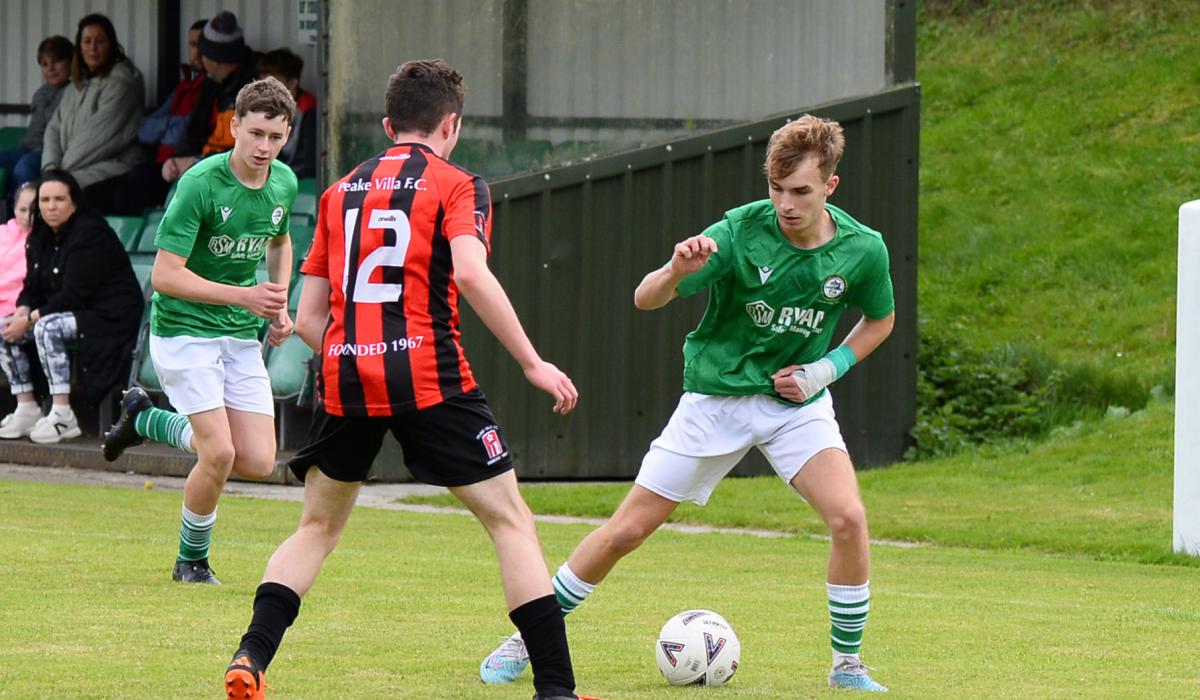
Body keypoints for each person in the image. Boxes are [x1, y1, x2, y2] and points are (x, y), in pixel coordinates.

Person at [479, 115, 896, 693]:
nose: (785, 204)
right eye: (776, 188)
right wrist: (676, 270)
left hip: (796, 407)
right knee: (625, 533)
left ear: (831, 185)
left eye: (800, 191)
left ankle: (846, 665)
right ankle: (527, 640)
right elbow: (644, 298)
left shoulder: (863, 249)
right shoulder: (739, 232)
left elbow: (879, 320)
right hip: (715, 402)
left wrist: (825, 369)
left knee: (848, 518)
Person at [219, 60, 592, 700]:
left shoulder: (339, 193)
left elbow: (307, 318)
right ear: (452, 125)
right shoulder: (459, 185)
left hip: (346, 375)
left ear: (389, 126)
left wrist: (355, 350)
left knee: (316, 529)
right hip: (429, 375)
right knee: (510, 523)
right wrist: (533, 362)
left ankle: (251, 656)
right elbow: (470, 273)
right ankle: (555, 689)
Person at [99, 78, 298, 586]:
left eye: (276, 137)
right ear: (234, 127)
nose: (264, 147)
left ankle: (145, 419)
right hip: (183, 331)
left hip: (238, 334)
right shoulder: (200, 184)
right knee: (220, 454)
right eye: (255, 133)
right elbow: (165, 276)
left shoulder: (283, 182)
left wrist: (277, 301)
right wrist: (245, 296)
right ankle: (191, 561)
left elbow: (280, 240)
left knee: (258, 460)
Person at [0, 170, 143, 443]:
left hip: (107, 315)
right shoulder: (41, 235)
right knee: (4, 327)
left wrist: (28, 320)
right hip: (70, 310)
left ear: (74, 202)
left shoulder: (91, 233)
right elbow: (31, 286)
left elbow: (73, 295)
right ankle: (27, 407)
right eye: (45, 200)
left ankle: (62, 414)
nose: (51, 206)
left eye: (59, 199)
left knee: (46, 327)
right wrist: (21, 311)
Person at [40, 14, 145, 215]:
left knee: (57, 193)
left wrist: (58, 175)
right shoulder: (76, 85)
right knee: (31, 192)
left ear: (111, 45)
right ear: (79, 47)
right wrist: (50, 168)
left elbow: (97, 139)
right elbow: (53, 129)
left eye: (100, 41)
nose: (93, 48)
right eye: (87, 41)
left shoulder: (121, 85)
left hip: (114, 166)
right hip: (74, 168)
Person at [160, 11, 257, 185]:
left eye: (203, 53)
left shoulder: (256, 90)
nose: (199, 59)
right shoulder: (212, 85)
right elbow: (192, 136)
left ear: (214, 60)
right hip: (206, 171)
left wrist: (197, 162)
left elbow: (250, 152)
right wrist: (174, 161)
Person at [0, 37, 72, 201]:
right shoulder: (41, 93)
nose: (51, 69)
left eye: (56, 61)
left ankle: (22, 213)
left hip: (50, 152)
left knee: (24, 167)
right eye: (45, 64)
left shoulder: (74, 91)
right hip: (27, 148)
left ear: (71, 62)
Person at [255, 48, 316, 178]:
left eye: (272, 86)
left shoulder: (309, 111)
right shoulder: (262, 107)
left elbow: (308, 164)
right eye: (262, 85)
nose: (265, 92)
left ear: (292, 84)